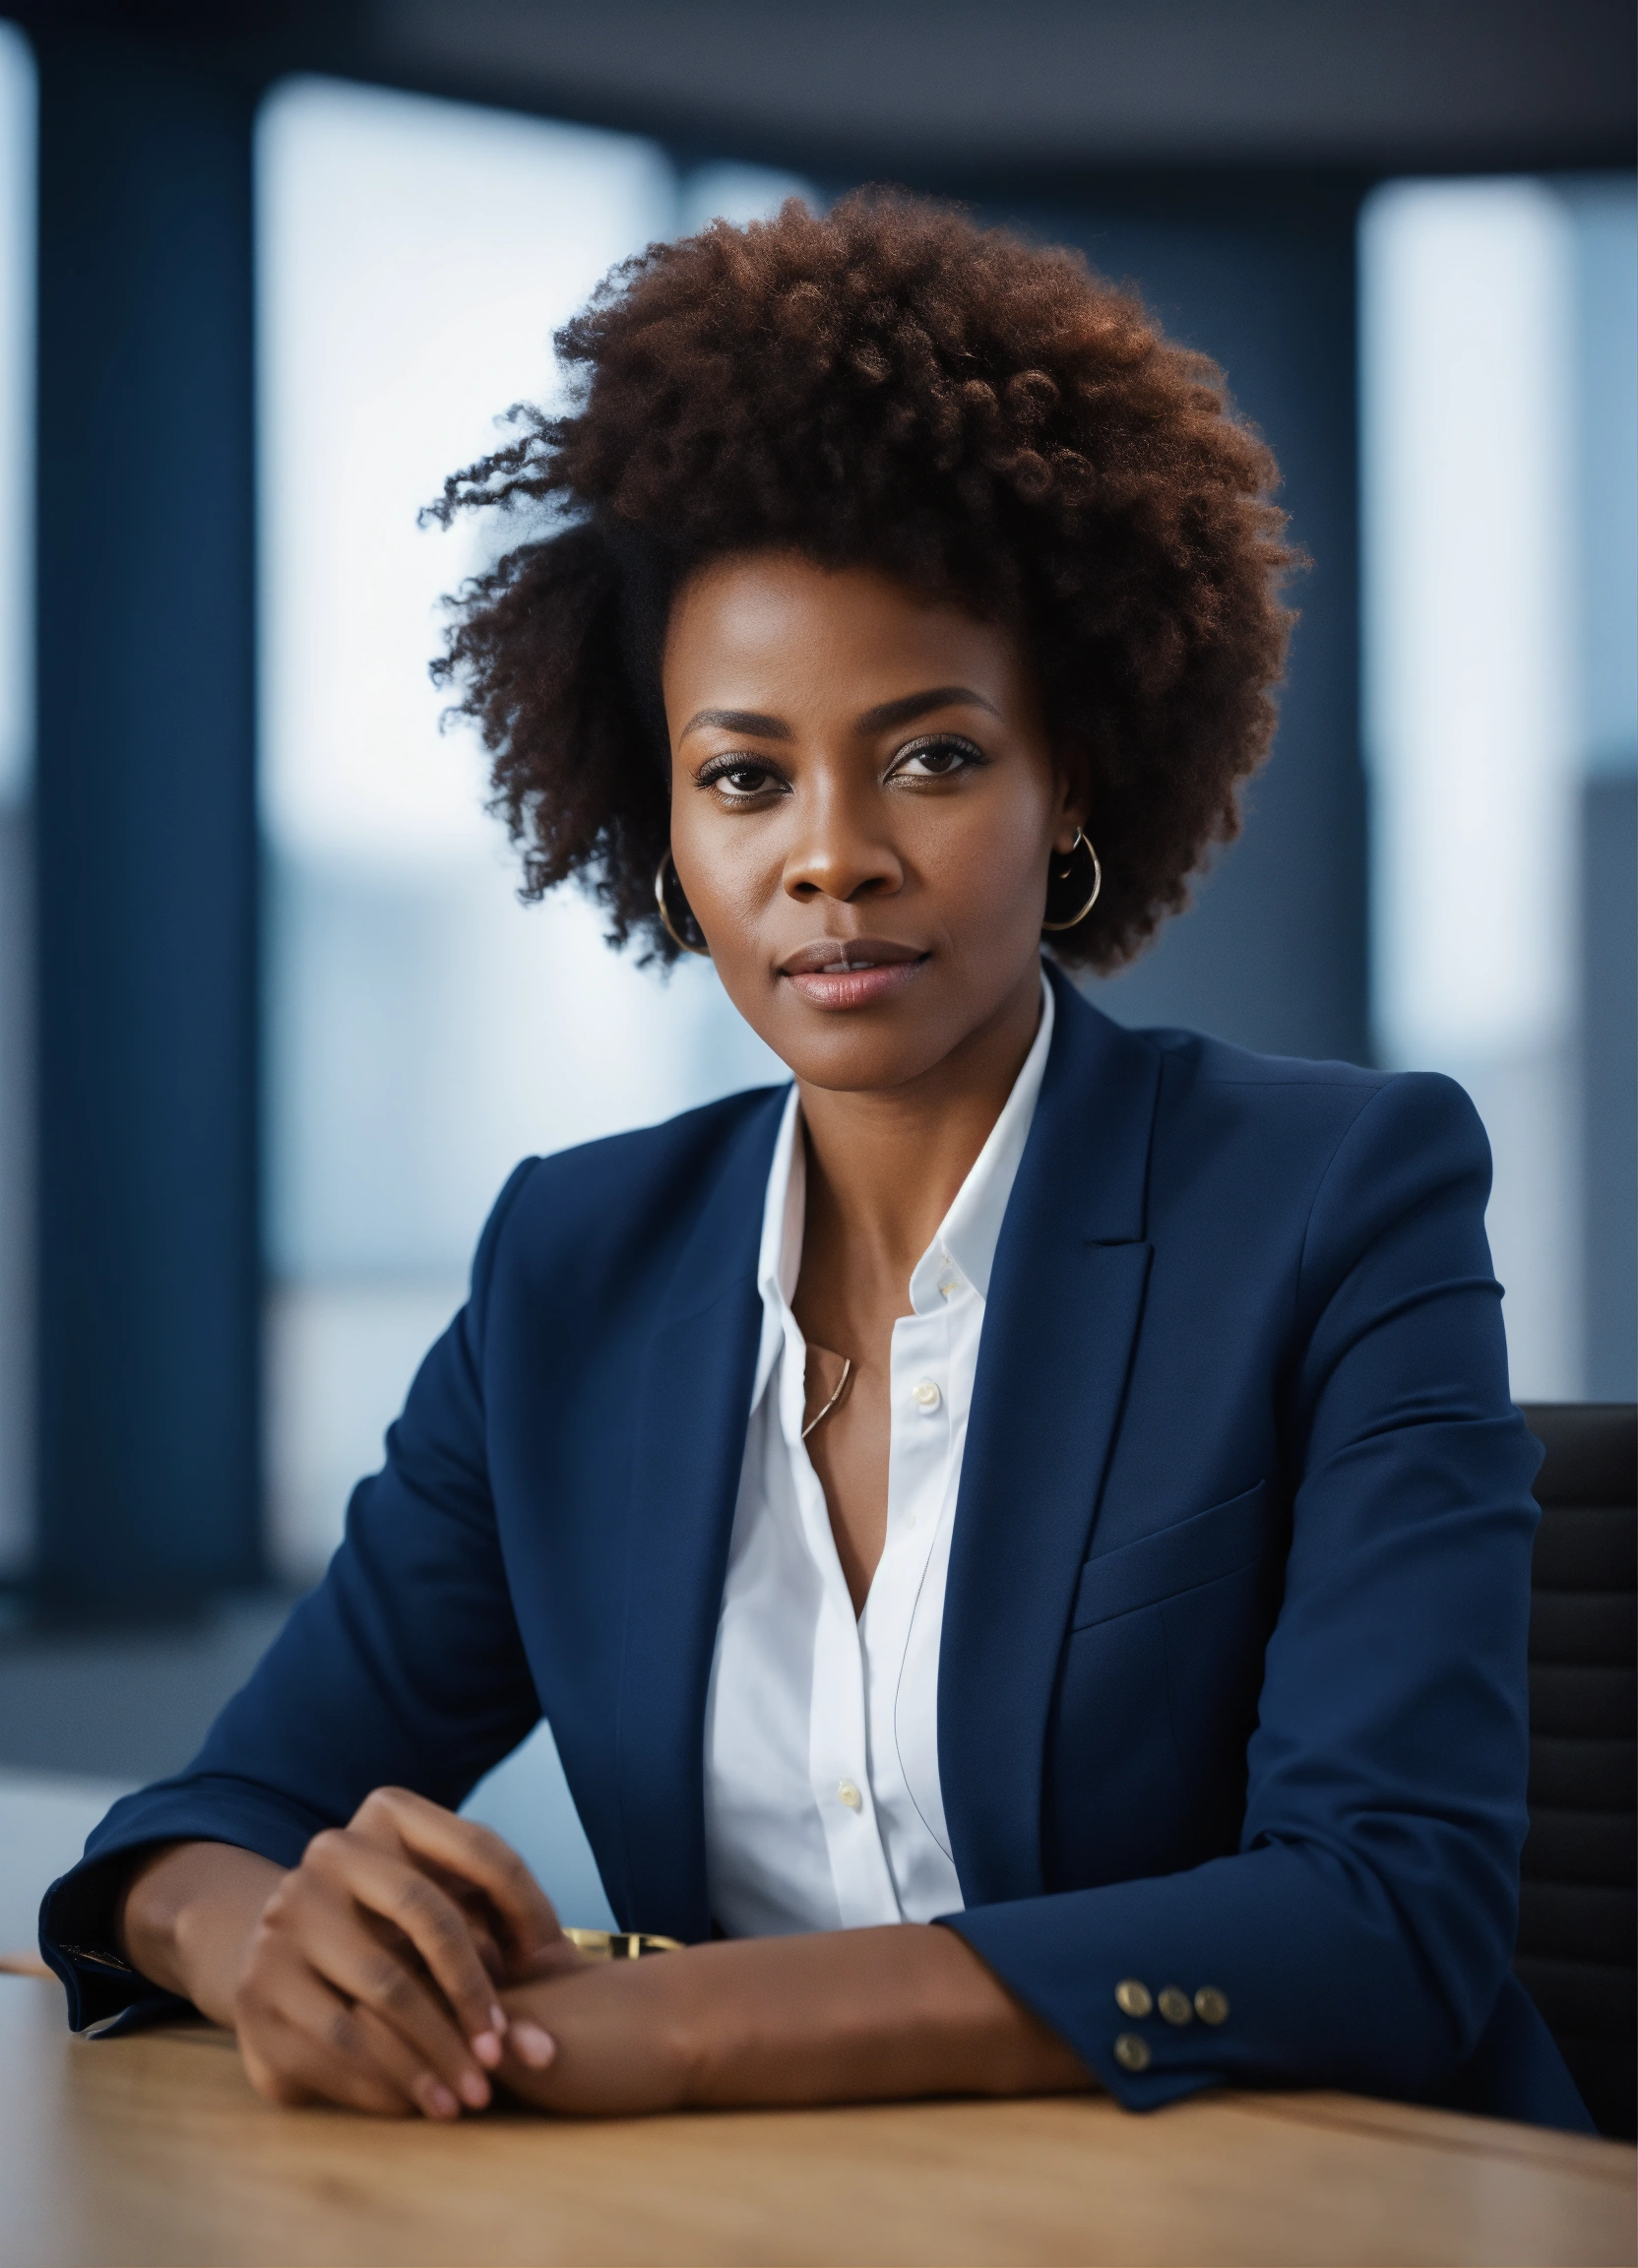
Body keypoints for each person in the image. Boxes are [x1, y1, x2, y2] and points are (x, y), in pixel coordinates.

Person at [41, 192, 1589, 2133]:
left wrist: (668, 2030)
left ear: (1072, 776)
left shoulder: (1337, 1197)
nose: (828, 855)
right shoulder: (573, 1269)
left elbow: (1388, 1915)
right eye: (745, 775)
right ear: (661, 821)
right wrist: (254, 1941)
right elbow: (216, 1814)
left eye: (930, 757)